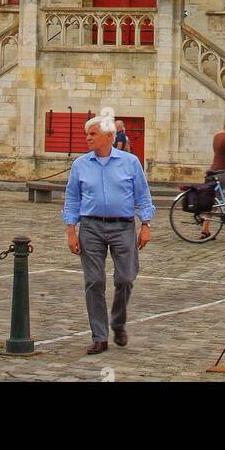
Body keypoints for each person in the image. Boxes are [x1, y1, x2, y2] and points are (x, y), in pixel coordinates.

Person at [63, 108, 154, 354]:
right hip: (90, 226)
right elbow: (72, 198)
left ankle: (118, 322)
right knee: (94, 281)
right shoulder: (80, 165)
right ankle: (99, 336)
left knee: (125, 279)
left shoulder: (130, 163)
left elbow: (143, 196)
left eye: (92, 134)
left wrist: (145, 225)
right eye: (86, 134)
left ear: (109, 136)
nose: (88, 138)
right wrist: (71, 230)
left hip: (123, 226)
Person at [201, 116, 225, 239]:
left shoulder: (217, 136)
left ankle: (205, 230)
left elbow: (223, 153)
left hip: (213, 171)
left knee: (213, 203)